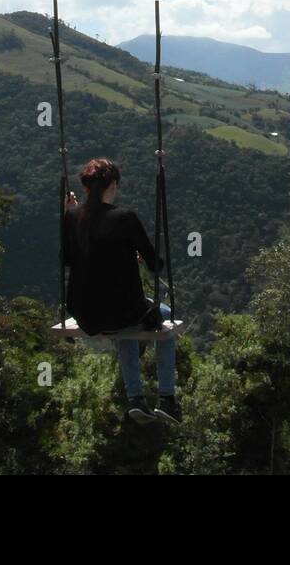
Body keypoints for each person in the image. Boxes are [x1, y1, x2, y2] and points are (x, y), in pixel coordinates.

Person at [62, 157, 180, 425]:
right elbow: (155, 265)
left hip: (86, 314)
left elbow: (69, 260)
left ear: (86, 188)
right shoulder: (125, 218)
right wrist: (138, 251)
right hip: (124, 313)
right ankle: (167, 399)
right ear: (113, 184)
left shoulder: (71, 218)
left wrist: (68, 214)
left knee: (124, 323)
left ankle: (135, 398)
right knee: (163, 314)